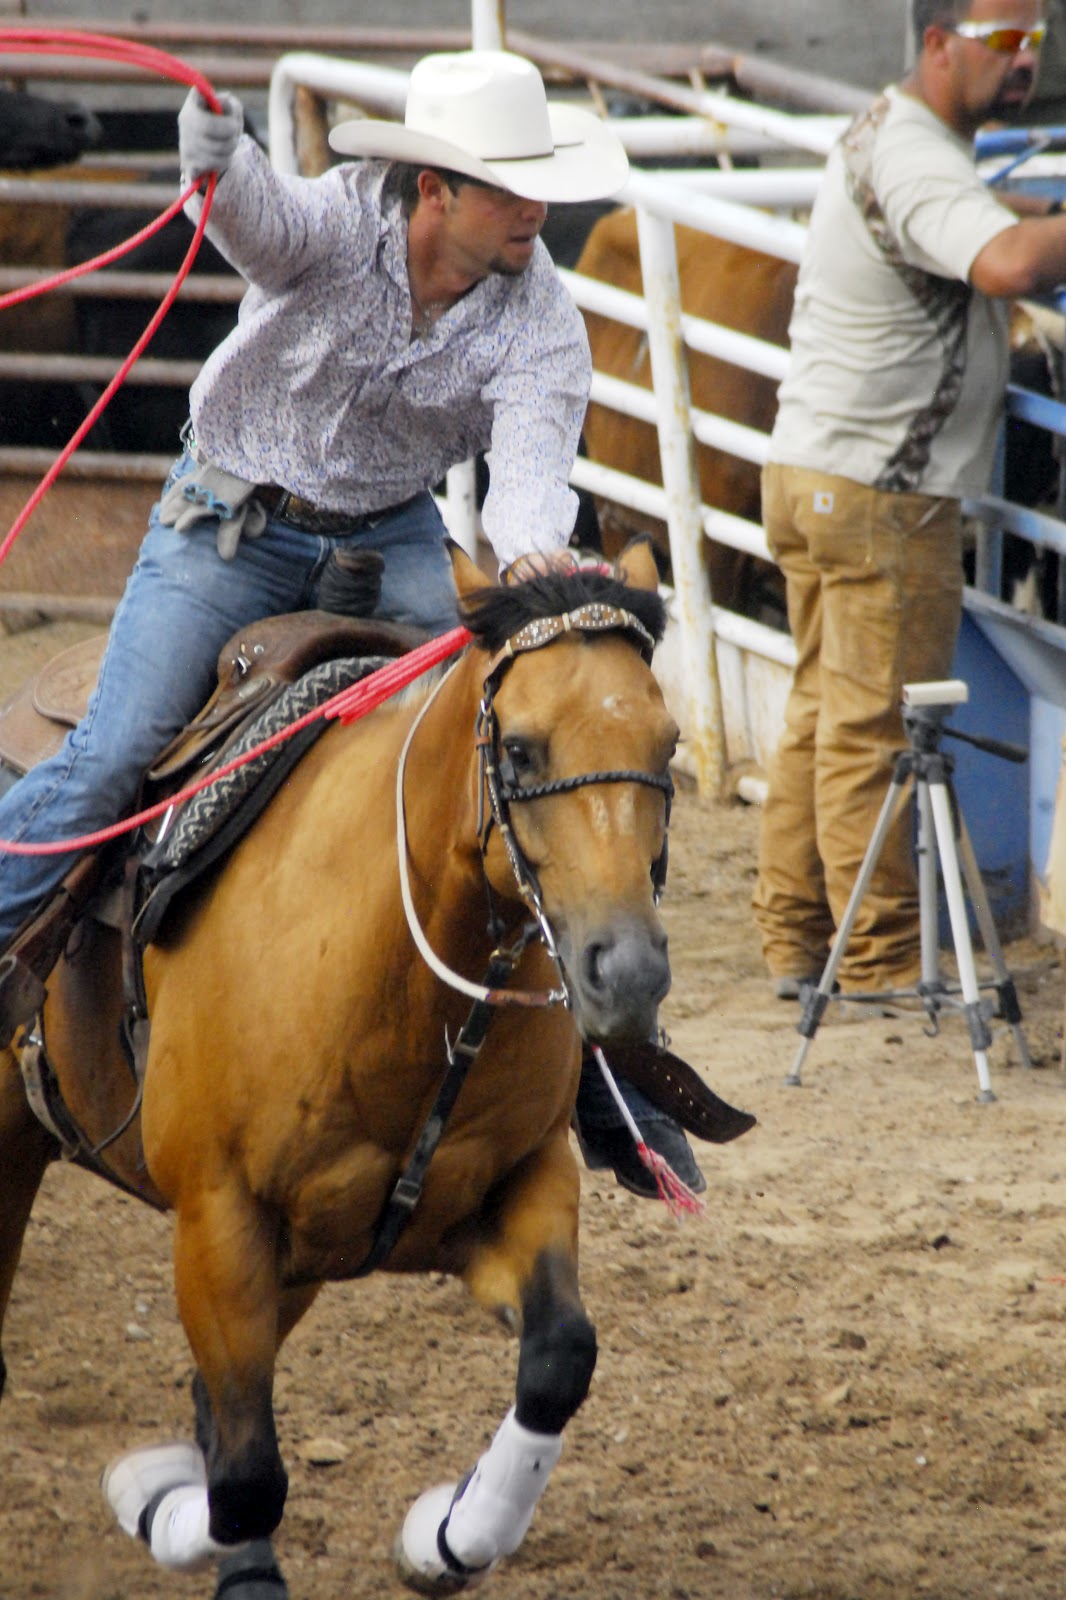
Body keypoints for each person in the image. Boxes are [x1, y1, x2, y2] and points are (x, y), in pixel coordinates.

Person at [0, 48, 702, 1197]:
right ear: (434, 190)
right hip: (230, 524)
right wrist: (220, 166)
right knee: (115, 753)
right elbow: (261, 224)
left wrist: (538, 563)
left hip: (392, 538)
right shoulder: (336, 223)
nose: (537, 208)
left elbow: (529, 485)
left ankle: (601, 1073)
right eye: (507, 186)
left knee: (496, 759)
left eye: (538, 183)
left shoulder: (544, 323)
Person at [752, 0, 1066, 1000]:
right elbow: (1008, 265)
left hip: (815, 470)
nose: (1024, 61)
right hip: (885, 492)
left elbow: (981, 231)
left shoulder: (890, 128)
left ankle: (796, 939)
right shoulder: (923, 154)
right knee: (877, 729)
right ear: (936, 45)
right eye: (1002, 42)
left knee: (819, 716)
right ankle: (884, 961)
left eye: (1039, 42)